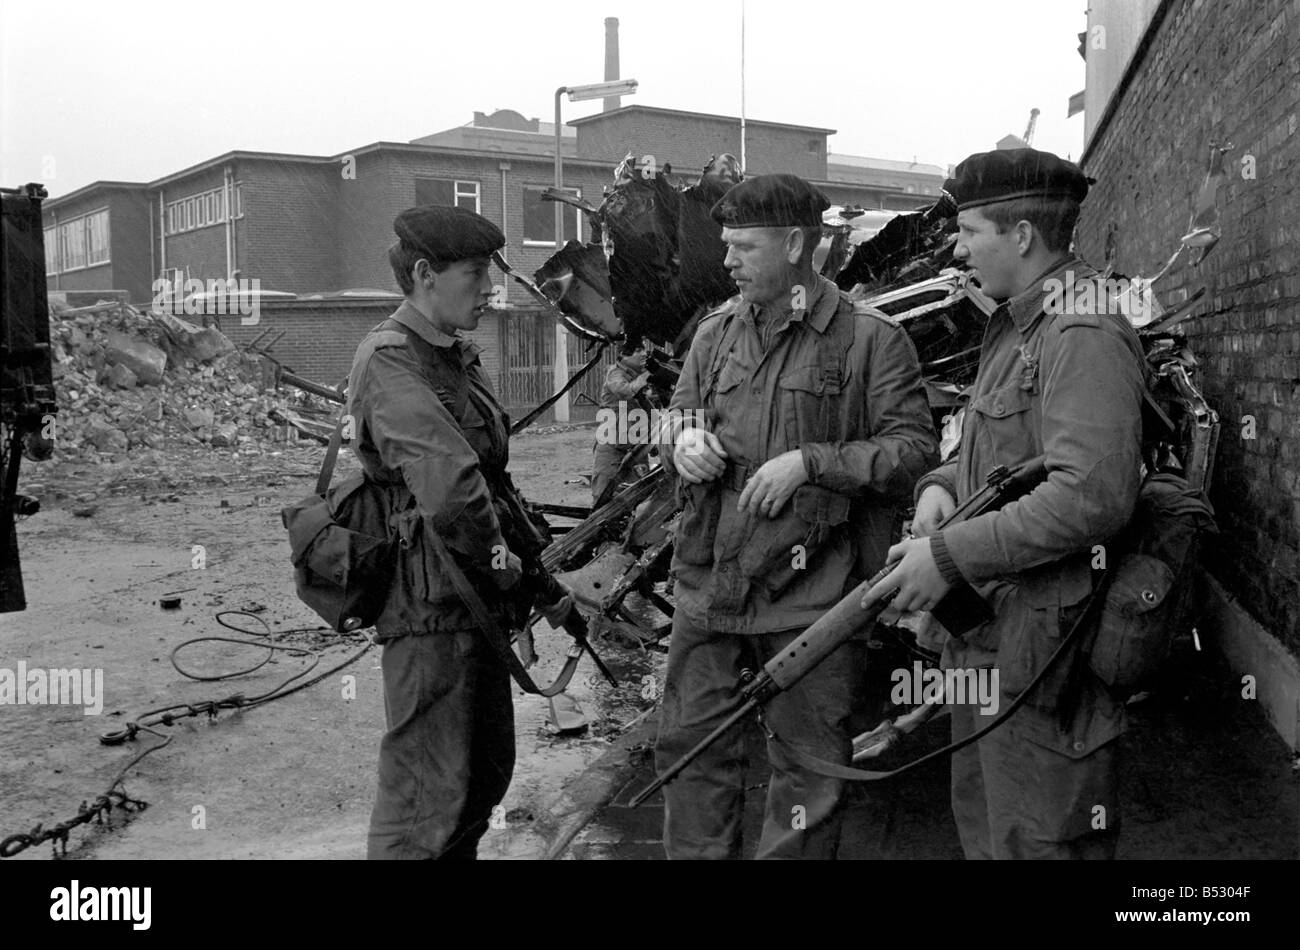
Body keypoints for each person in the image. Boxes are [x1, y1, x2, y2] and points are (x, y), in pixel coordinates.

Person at [862, 148, 1147, 859]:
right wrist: (938, 493)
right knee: (991, 830)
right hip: (997, 642)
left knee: (1034, 837)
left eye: (969, 232)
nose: (956, 250)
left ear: (1021, 236)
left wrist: (952, 555)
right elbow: (1003, 461)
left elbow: (1093, 493)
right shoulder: (1021, 325)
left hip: (1044, 655)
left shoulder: (1079, 332)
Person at [655, 173, 939, 859]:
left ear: (794, 244)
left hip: (810, 601)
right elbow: (681, 413)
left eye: (743, 248)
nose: (726, 262)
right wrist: (682, 439)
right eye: (726, 246)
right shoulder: (714, 335)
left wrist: (812, 462)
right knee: (693, 759)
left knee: (808, 778)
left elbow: (913, 450)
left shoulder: (873, 339)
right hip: (710, 588)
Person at [346, 204, 527, 860]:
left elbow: (493, 484)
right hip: (429, 615)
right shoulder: (391, 359)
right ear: (425, 274)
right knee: (426, 800)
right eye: (476, 273)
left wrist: (538, 577)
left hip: (470, 603)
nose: (489, 289)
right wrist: (502, 560)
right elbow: (451, 489)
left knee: (479, 782)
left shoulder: (454, 356)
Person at [591, 339, 651, 506]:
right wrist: (646, 377)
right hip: (612, 449)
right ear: (623, 355)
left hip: (636, 450)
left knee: (640, 500)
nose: (644, 353)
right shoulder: (615, 374)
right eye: (638, 350)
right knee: (602, 499)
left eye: (644, 350)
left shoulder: (643, 376)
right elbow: (625, 391)